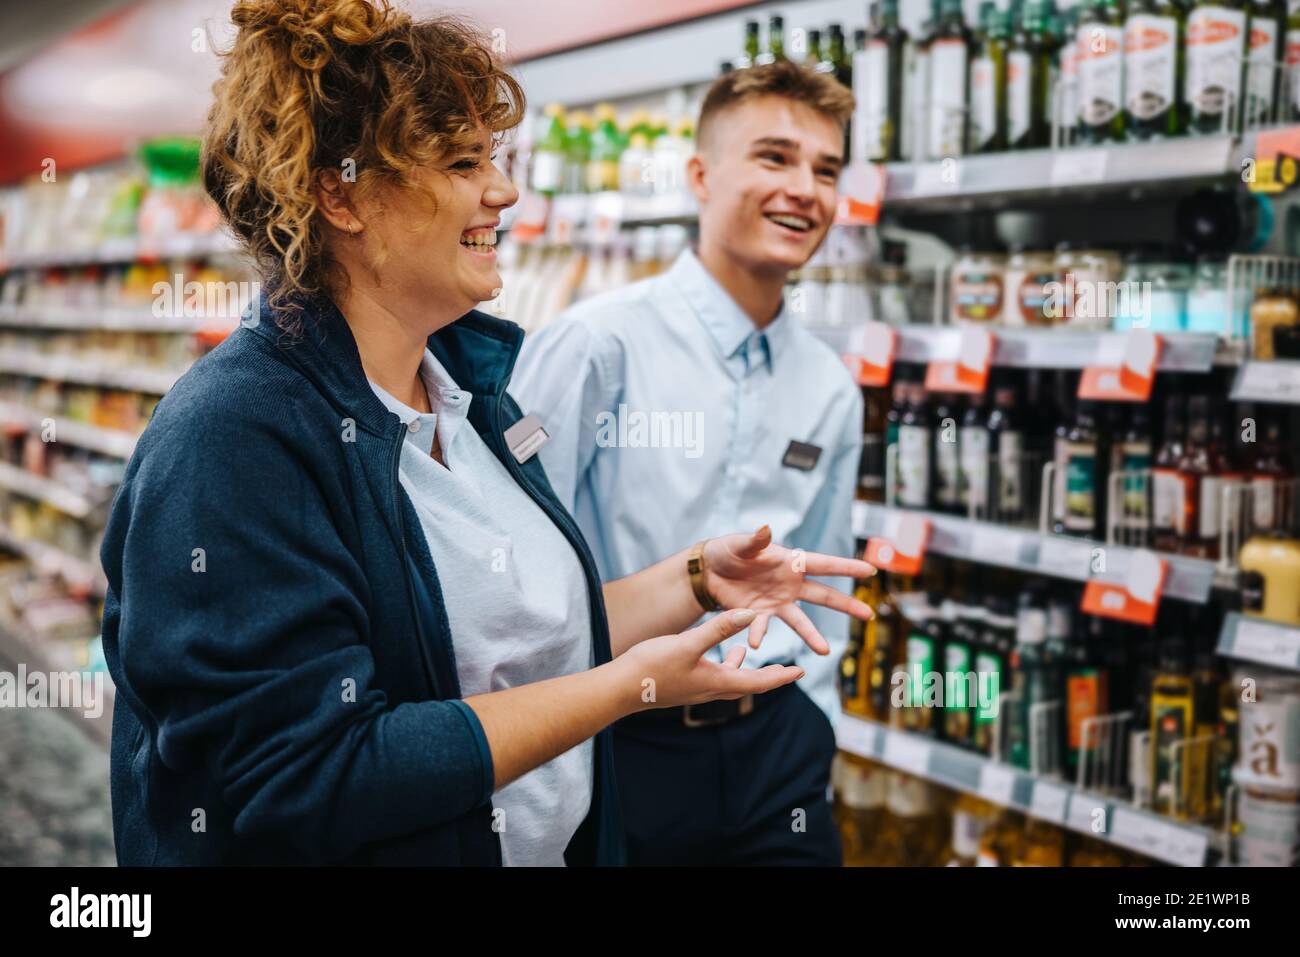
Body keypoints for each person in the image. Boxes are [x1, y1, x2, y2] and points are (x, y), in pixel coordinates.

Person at [99, 0, 875, 867]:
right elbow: (306, 776)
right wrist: (623, 689)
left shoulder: (471, 399)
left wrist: (696, 578)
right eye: (466, 164)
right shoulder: (234, 436)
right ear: (340, 193)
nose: (502, 191)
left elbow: (522, 634)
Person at [512, 60, 863, 865]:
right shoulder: (596, 345)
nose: (804, 188)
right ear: (700, 175)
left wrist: (816, 723)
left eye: (826, 168)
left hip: (779, 750)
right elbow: (513, 580)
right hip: (624, 738)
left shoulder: (832, 389)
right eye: (774, 157)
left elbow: (824, 579)